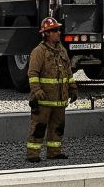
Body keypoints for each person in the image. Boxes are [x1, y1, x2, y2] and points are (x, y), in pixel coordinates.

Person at [26, 18, 80, 161]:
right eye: (55, 30)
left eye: (58, 30)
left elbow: (68, 73)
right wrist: (36, 90)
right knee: (38, 128)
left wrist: (73, 89)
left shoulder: (62, 50)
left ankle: (54, 153)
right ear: (47, 33)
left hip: (59, 101)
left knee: (58, 128)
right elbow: (32, 73)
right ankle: (33, 155)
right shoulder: (39, 51)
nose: (58, 32)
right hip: (43, 100)